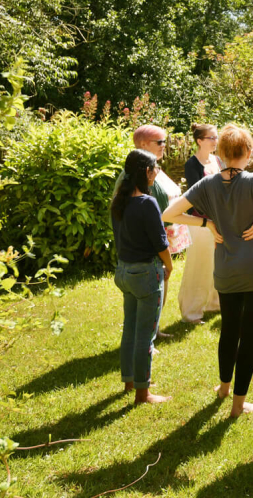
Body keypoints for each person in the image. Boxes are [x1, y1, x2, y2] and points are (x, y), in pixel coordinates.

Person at [162, 124, 253, 418]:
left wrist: (206, 223)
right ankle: (237, 405)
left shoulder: (208, 184)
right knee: (250, 336)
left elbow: (169, 214)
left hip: (228, 269)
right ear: (247, 152)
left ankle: (223, 387)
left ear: (220, 152)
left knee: (230, 330)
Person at [111, 149, 172, 405]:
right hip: (146, 274)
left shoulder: (119, 200)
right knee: (145, 335)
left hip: (124, 271)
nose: (157, 172)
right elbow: (160, 242)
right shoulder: (147, 202)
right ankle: (142, 393)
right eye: (155, 168)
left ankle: (129, 381)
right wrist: (169, 266)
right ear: (146, 172)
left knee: (131, 330)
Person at [177, 123, 222, 323]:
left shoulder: (218, 160)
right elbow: (196, 196)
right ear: (199, 141)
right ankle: (191, 312)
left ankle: (215, 304)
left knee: (217, 263)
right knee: (199, 266)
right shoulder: (192, 164)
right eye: (211, 138)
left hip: (218, 220)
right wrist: (210, 216)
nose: (215, 141)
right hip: (200, 222)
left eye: (216, 137)